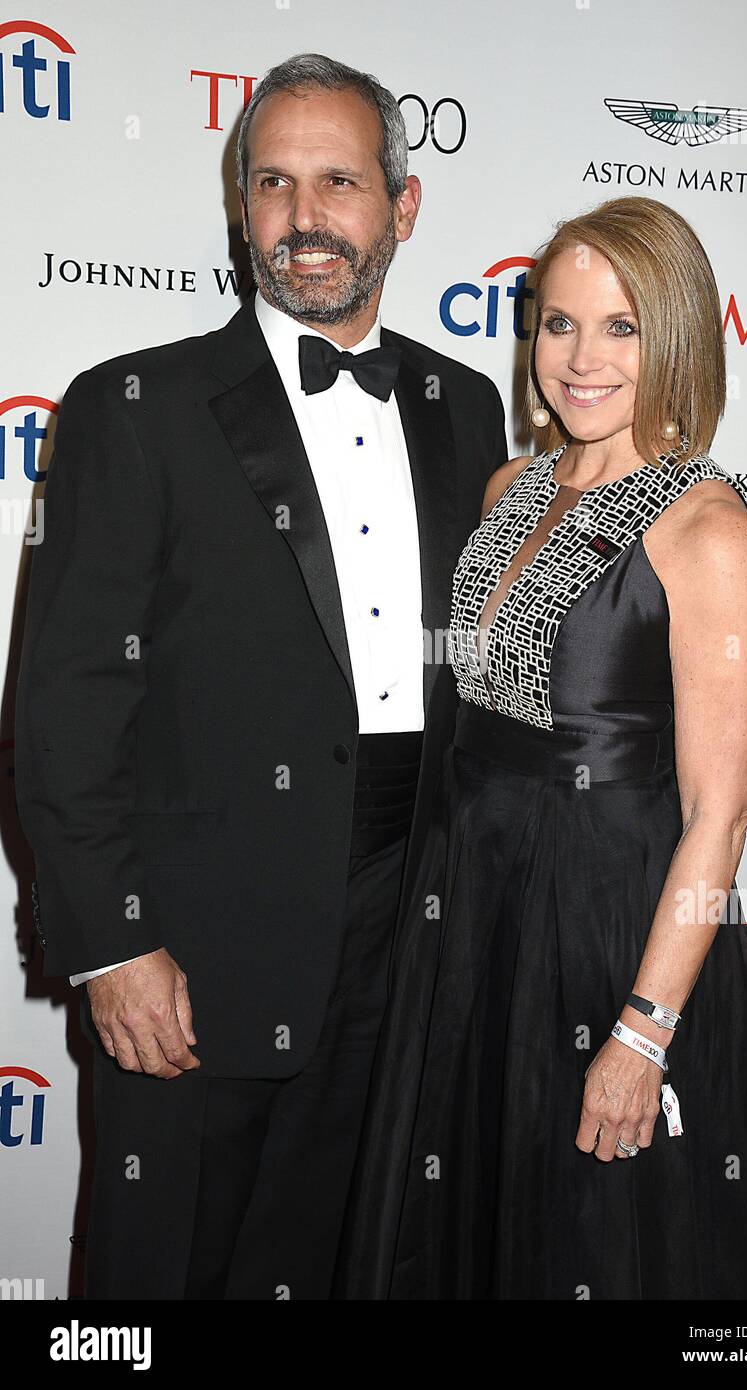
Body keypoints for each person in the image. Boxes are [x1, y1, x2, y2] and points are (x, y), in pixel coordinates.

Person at [13, 52, 506, 1300]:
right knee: (159, 1272)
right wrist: (115, 946)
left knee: (351, 1256)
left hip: (408, 924)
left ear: (402, 206)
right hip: (196, 938)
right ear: (241, 206)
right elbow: (63, 703)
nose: (304, 217)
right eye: (273, 183)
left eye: (339, 180)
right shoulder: (134, 405)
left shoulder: (466, 407)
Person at [335, 196, 747, 1300]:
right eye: (558, 323)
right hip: (470, 915)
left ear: (676, 337)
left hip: (608, 928)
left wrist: (643, 1035)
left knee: (593, 1239)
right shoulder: (512, 488)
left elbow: (718, 818)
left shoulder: (708, 529)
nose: (581, 358)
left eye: (621, 327)